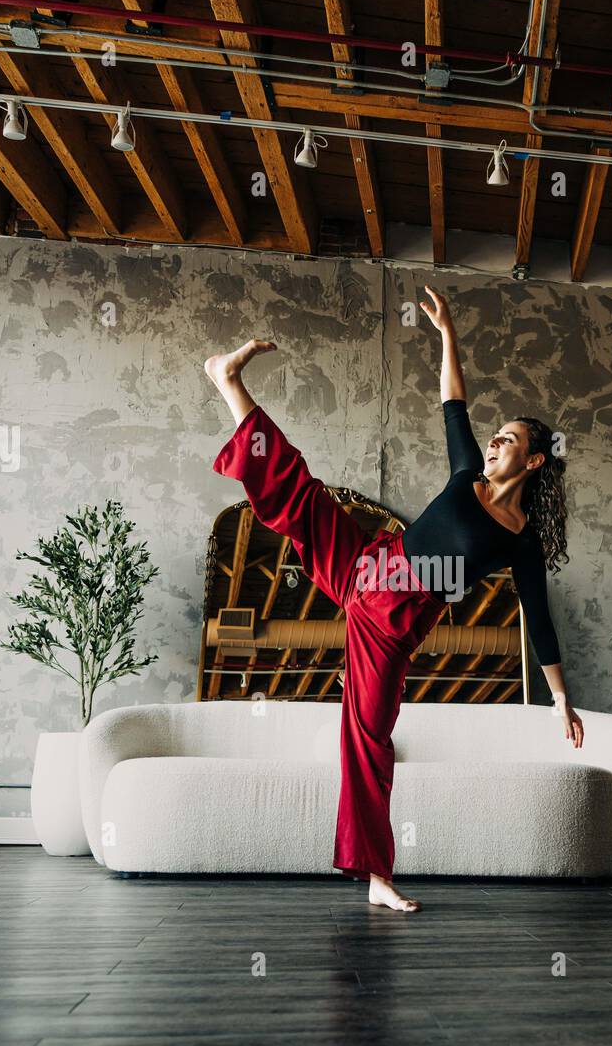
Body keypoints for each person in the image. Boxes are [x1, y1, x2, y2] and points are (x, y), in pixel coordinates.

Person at [206, 286, 582, 913]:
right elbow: (453, 404)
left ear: (535, 459)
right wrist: (447, 334)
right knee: (301, 493)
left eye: (508, 439)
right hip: (368, 567)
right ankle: (229, 384)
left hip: (392, 627)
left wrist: (562, 699)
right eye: (493, 437)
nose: (491, 443)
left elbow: (537, 618)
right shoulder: (466, 476)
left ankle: (375, 876)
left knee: (370, 738)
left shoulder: (521, 542)